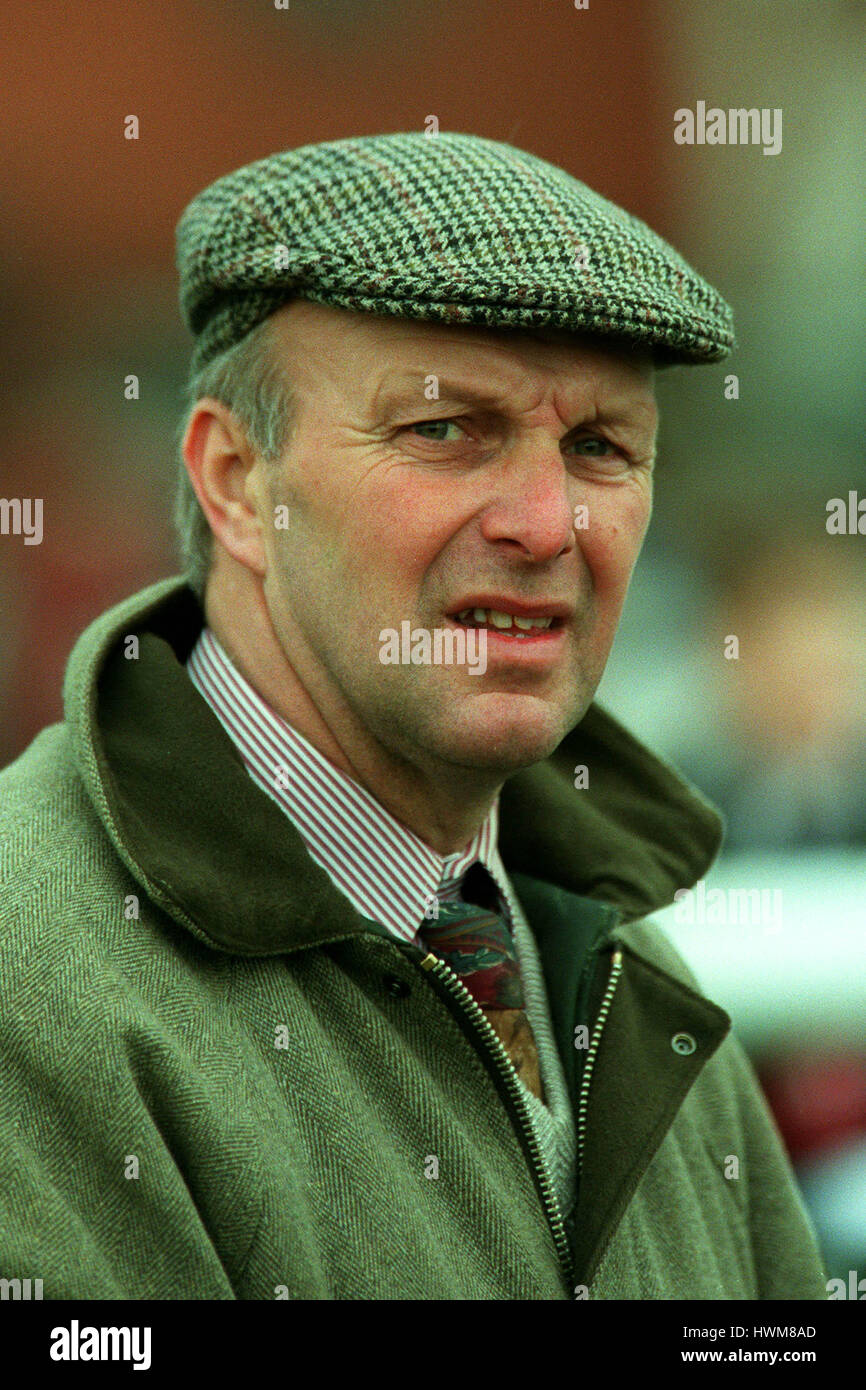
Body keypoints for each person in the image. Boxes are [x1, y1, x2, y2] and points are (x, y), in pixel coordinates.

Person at [0, 132, 828, 1299]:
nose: (547, 526)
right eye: (445, 430)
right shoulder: (31, 978)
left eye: (598, 448)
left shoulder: (620, 963)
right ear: (236, 482)